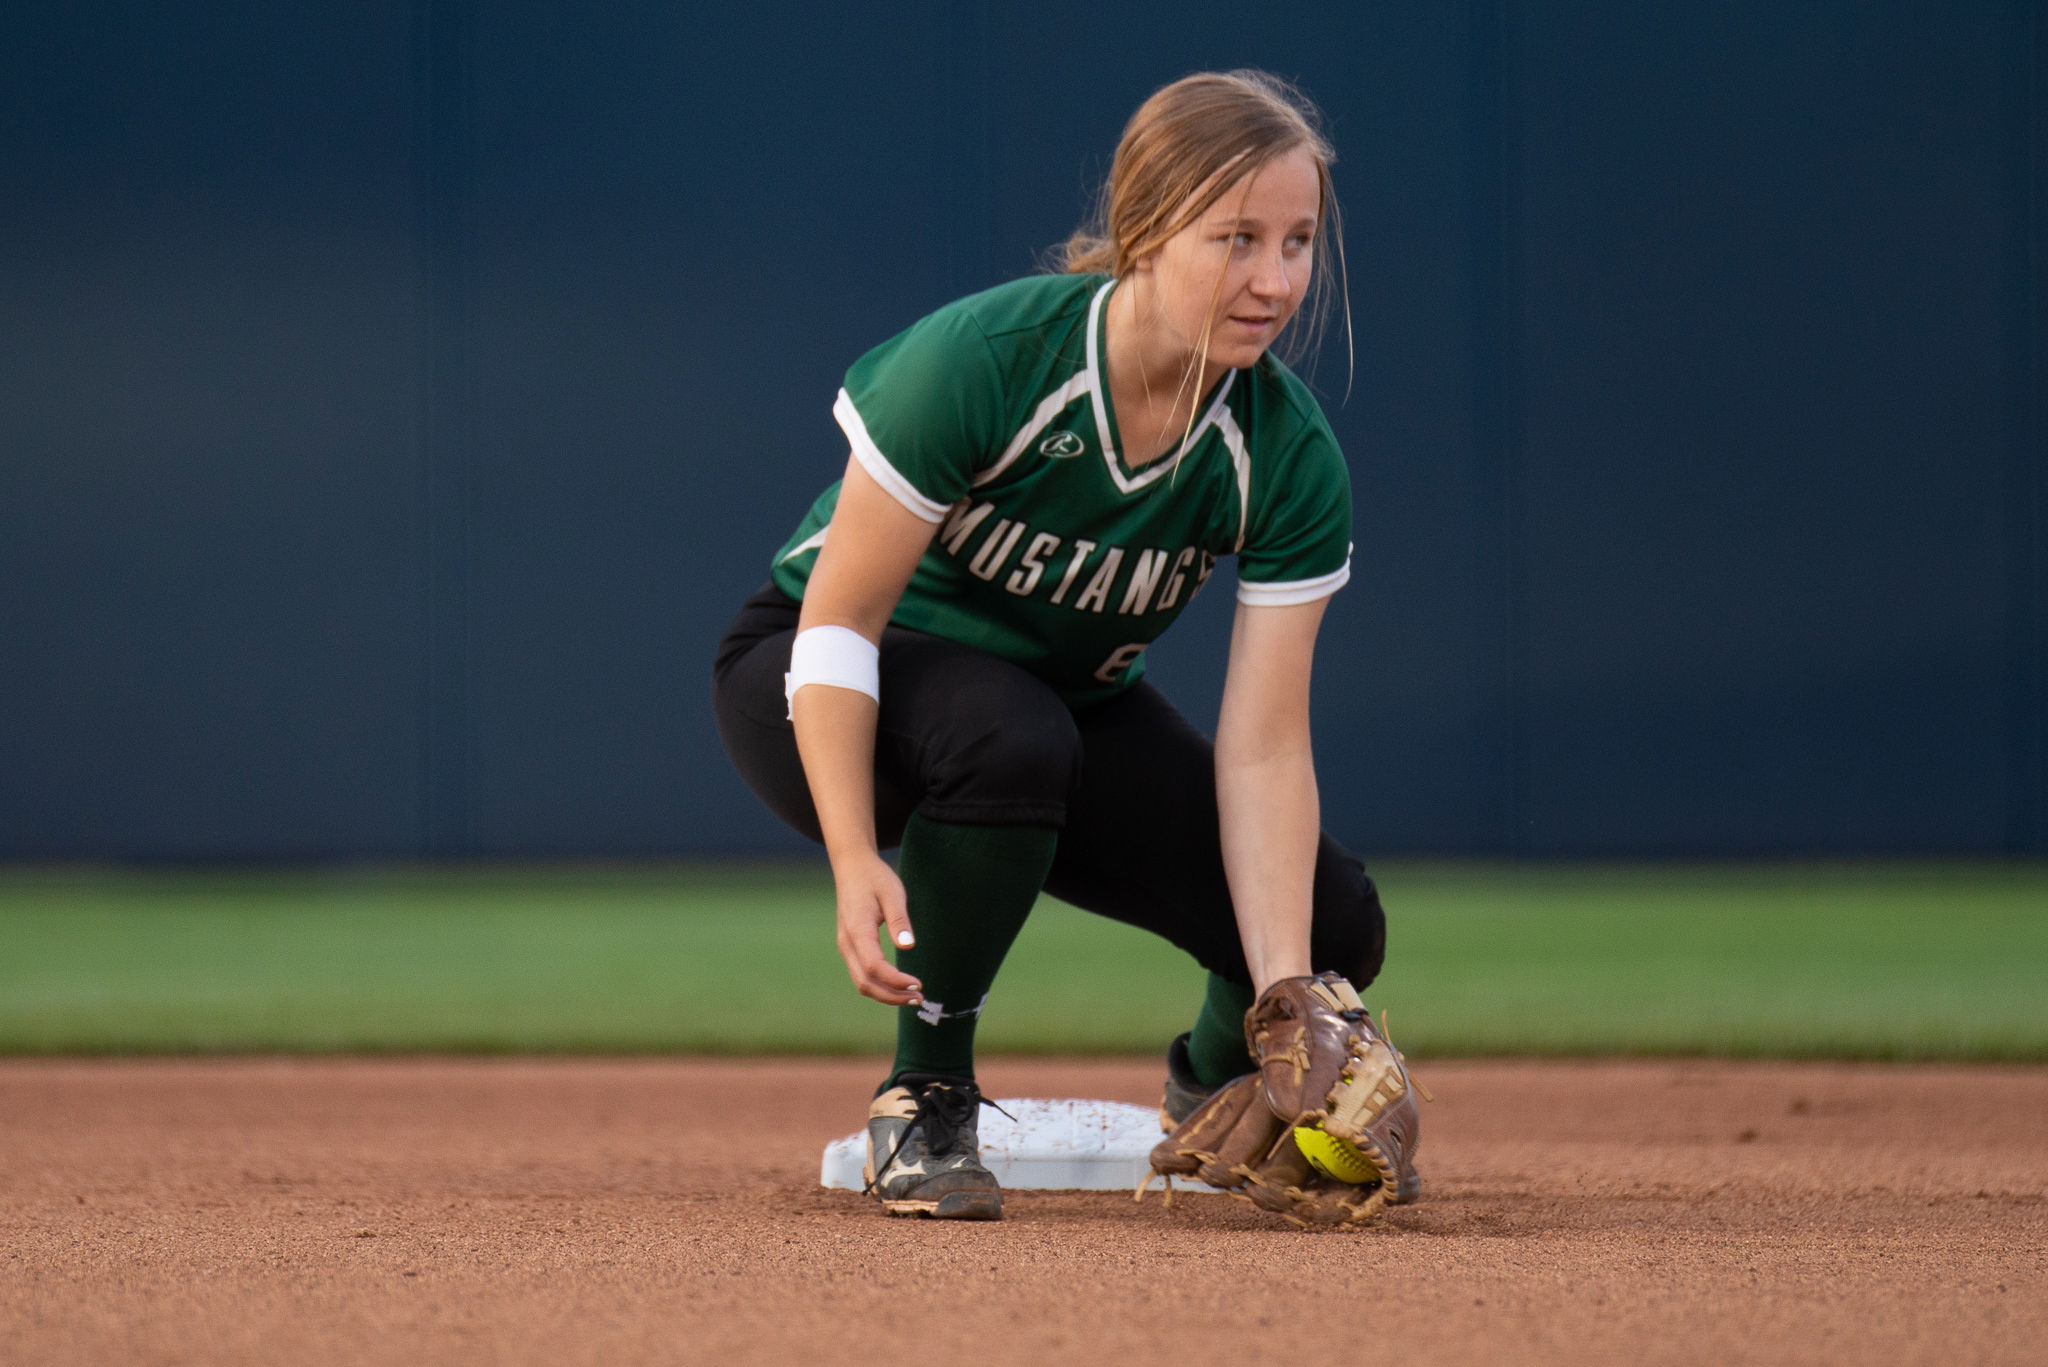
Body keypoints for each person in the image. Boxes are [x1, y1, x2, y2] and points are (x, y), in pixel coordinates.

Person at [712, 70, 1386, 1221]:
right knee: (1004, 731)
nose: (1273, 280)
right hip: (823, 681)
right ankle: (922, 1095)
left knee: (1333, 925)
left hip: (1059, 709)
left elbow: (1265, 747)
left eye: (1296, 240)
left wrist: (1283, 997)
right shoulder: (988, 361)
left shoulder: (1280, 451)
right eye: (1235, 238)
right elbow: (837, 624)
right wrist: (847, 850)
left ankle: (1219, 1084)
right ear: (1144, 230)